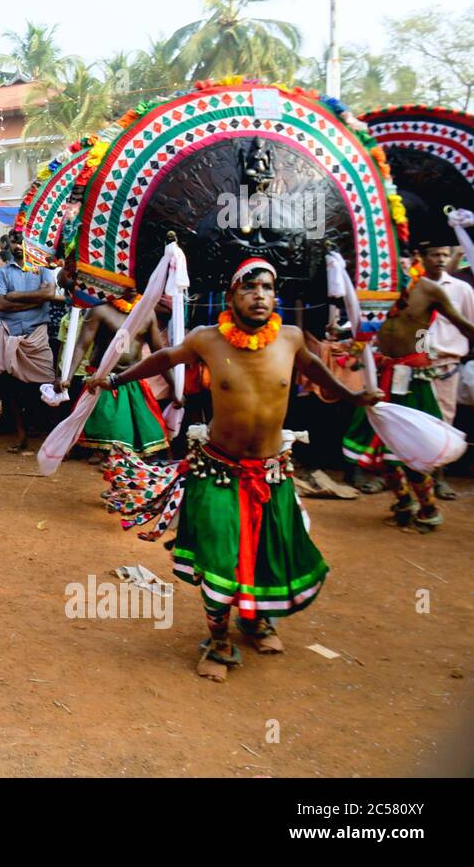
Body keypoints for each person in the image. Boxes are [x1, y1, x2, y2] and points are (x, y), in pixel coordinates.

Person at [92, 258, 381, 681]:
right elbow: (164, 359)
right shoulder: (206, 340)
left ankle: (257, 620)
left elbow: (315, 369)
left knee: (266, 553)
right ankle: (218, 639)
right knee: (220, 556)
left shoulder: (292, 338)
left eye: (267, 287)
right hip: (218, 470)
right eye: (249, 287)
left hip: (271, 472)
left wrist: (351, 395)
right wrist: (114, 380)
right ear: (231, 297)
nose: (259, 295)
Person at [340, 223, 474, 530]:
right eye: (391, 261)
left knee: (412, 451)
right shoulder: (382, 289)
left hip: (415, 379)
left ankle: (428, 509)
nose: (396, 266)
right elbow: (367, 323)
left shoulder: (431, 291)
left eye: (402, 261)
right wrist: (346, 334)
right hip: (384, 375)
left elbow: (464, 325)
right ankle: (404, 502)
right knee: (385, 449)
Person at [59, 288, 172, 458]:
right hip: (101, 381)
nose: (132, 284)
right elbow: (82, 345)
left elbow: (159, 355)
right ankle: (101, 452)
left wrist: (176, 387)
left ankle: (115, 455)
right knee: (103, 428)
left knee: (148, 432)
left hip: (132, 381)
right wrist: (66, 376)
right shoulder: (100, 309)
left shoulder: (147, 313)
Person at [0, 230, 63, 453]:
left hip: (37, 334)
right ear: (10, 244)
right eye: (15, 242)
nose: (19, 246)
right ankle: (21, 436)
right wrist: (35, 299)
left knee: (48, 384)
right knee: (11, 388)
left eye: (23, 241)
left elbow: (49, 293)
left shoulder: (43, 269)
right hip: (11, 334)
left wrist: (14, 296)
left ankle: (56, 439)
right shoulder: (3, 273)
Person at [416, 237, 474, 499]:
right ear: (423, 258)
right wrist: (418, 355)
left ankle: (440, 477)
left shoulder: (461, 289)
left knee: (444, 422)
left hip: (447, 363)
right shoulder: (414, 288)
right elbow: (416, 326)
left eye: (443, 254)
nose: (439, 259)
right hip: (418, 363)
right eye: (433, 254)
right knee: (419, 421)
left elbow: (468, 325)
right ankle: (419, 479)